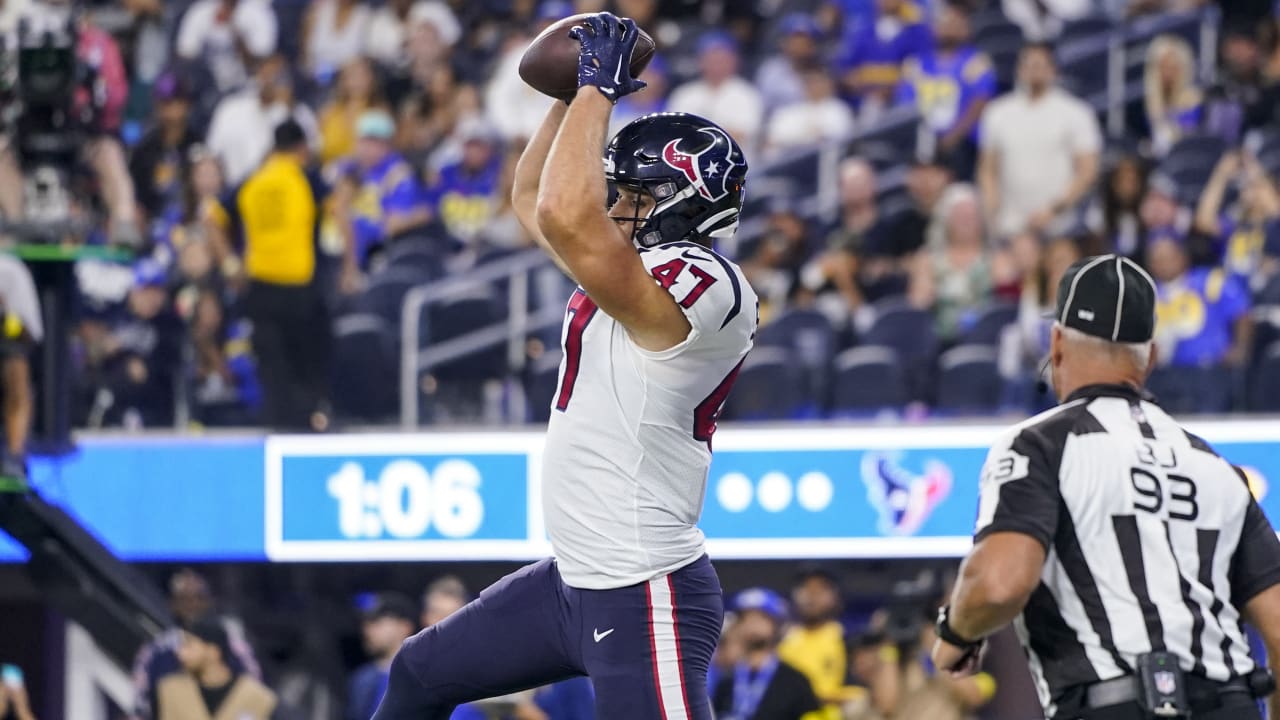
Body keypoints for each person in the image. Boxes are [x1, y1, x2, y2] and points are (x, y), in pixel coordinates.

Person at [372, 12, 757, 719]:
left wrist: (597, 92)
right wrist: (568, 95)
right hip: (571, 581)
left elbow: (564, 212)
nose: (617, 206)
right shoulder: (630, 266)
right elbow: (533, 199)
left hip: (646, 590)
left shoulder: (712, 285)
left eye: (634, 195)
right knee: (418, 674)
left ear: (686, 205)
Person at [931, 253, 1280, 720]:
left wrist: (956, 632)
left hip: (1114, 704)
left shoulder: (1039, 444)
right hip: (1229, 705)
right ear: (1150, 357)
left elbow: (998, 583)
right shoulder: (1216, 468)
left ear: (1057, 343)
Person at [210, 120, 331, 431]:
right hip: (299, 285)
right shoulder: (305, 177)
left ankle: (275, 427)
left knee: (271, 366)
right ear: (302, 148)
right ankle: (308, 426)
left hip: (260, 286)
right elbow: (339, 207)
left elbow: (212, 217)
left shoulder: (254, 180)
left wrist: (230, 264)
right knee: (305, 365)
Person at [979, 42, 1101, 243]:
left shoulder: (1077, 113)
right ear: (1019, 69)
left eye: (1041, 65)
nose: (1034, 71)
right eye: (1029, 64)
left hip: (1061, 226)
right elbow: (988, 170)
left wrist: (1054, 210)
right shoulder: (997, 113)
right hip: (1011, 226)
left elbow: (1087, 171)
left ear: (1053, 70)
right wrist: (992, 213)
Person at [130, 569, 261, 720]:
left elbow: (253, 695)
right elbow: (140, 706)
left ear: (214, 651)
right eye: (184, 599)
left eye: (199, 598)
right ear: (173, 604)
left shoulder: (234, 646)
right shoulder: (155, 651)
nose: (192, 605)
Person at [1146, 232, 1252, 414]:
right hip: (1164, 373)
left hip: (1207, 370)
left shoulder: (1209, 281)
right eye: (1158, 259)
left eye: (1169, 257)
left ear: (1182, 257)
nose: (1164, 264)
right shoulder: (1148, 292)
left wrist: (1240, 348)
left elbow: (1242, 313)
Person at [896, 1, 996, 180]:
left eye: (956, 23)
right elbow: (906, 104)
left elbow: (981, 101)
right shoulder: (916, 64)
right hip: (922, 140)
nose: (950, 27)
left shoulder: (976, 63)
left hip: (964, 144)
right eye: (945, 22)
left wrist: (952, 137)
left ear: (967, 29)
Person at [333, 110, 432, 278]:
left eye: (375, 142)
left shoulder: (398, 174)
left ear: (388, 144)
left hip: (373, 257)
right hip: (333, 254)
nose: (367, 148)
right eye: (364, 140)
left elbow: (392, 224)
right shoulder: (347, 167)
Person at [205, 54, 320, 186]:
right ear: (258, 74)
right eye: (267, 73)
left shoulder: (294, 114)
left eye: (277, 75)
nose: (270, 80)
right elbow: (212, 152)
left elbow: (312, 154)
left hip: (274, 190)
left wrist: (289, 109)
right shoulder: (230, 108)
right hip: (231, 188)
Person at [712, 588, 823, 720]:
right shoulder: (726, 679)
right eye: (746, 618)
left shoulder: (796, 681)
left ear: (777, 625)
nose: (753, 624)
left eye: (762, 617)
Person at [160, 615, 278, 720]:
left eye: (189, 645)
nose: (181, 653)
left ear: (213, 652)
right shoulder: (171, 690)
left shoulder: (258, 698)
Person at [666, 31, 765, 151]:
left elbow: (740, 135)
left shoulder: (747, 94)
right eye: (710, 58)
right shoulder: (684, 94)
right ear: (700, 61)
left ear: (735, 60)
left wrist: (695, 135)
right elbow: (673, 133)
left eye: (722, 58)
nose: (716, 64)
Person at [778, 569, 857, 714]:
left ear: (835, 597)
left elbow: (860, 693)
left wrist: (819, 698)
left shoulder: (848, 640)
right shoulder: (780, 642)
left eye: (820, 589)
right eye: (805, 589)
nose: (811, 596)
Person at [174, 0, 278, 97]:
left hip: (246, 87)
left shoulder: (257, 13)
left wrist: (233, 30)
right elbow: (185, 55)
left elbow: (261, 64)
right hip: (208, 86)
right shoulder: (202, 11)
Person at [348, 594, 419, 720]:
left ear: (404, 627)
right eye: (365, 624)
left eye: (377, 623)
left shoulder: (422, 677)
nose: (367, 630)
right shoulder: (362, 678)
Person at [0, 255, 39, 480]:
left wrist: (7, 320)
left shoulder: (10, 270)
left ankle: (14, 456)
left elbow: (28, 332)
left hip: (7, 337)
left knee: (16, 366)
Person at [318, 57, 390, 167]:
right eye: (353, 76)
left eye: (362, 76)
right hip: (329, 169)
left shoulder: (380, 112)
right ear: (344, 81)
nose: (357, 82)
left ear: (371, 80)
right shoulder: (329, 112)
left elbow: (384, 150)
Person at [1144, 35, 1203, 157]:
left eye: (1173, 67)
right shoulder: (1152, 100)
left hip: (1186, 155)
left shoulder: (1192, 97)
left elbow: (1188, 133)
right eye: (1163, 67)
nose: (1168, 73)